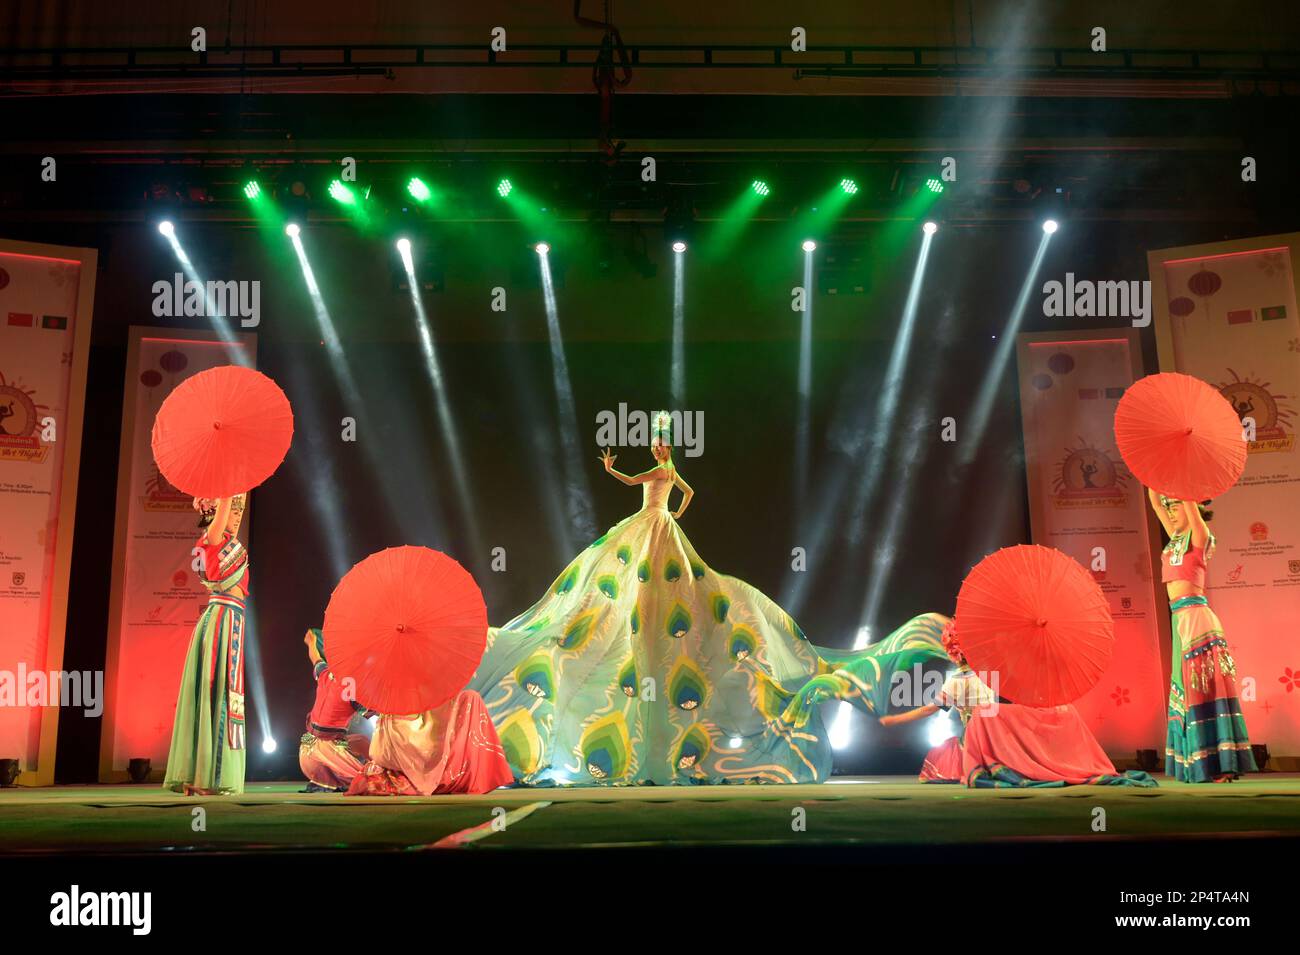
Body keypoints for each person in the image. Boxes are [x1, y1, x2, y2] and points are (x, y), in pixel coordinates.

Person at [467, 410, 950, 785]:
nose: (656, 449)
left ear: (666, 448)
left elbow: (674, 490)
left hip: (658, 527)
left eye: (659, 444)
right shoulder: (660, 471)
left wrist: (660, 501)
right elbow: (655, 489)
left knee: (663, 590)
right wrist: (639, 486)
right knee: (627, 593)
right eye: (655, 444)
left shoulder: (666, 468)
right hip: (653, 524)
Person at [882, 621, 1156, 788]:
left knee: (939, 758)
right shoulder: (993, 675)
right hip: (1001, 741)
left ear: (953, 653)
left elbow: (929, 709)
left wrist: (894, 720)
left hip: (977, 743)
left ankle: (992, 764)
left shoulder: (958, 682)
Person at [1148, 489, 1255, 782]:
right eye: (1170, 507)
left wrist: (1185, 487)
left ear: (1192, 506)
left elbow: (1190, 510)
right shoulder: (1174, 539)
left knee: (1202, 689)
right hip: (1179, 621)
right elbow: (1155, 501)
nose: (1170, 510)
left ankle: (1218, 764)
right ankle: (1194, 764)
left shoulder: (1200, 537)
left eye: (1176, 505)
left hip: (1196, 620)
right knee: (1184, 690)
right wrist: (1155, 476)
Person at [164, 494, 250, 795]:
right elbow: (225, 506)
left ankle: (203, 776)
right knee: (217, 692)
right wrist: (227, 484)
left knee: (225, 694)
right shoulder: (211, 538)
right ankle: (206, 777)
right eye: (232, 510)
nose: (237, 515)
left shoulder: (228, 542)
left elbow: (234, 509)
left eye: (240, 511)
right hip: (222, 618)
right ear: (215, 513)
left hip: (232, 619)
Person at [346, 688, 515, 796]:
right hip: (400, 729)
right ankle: (426, 774)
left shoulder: (424, 670)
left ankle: (441, 774)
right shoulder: (386, 679)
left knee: (470, 698)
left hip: (420, 720)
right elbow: (366, 710)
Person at [298, 628, 371, 792]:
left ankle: (322, 779)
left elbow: (315, 657)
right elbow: (371, 712)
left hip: (306, 753)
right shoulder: (351, 684)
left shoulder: (326, 673)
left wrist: (311, 642)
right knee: (370, 778)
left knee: (359, 740)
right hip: (330, 752)